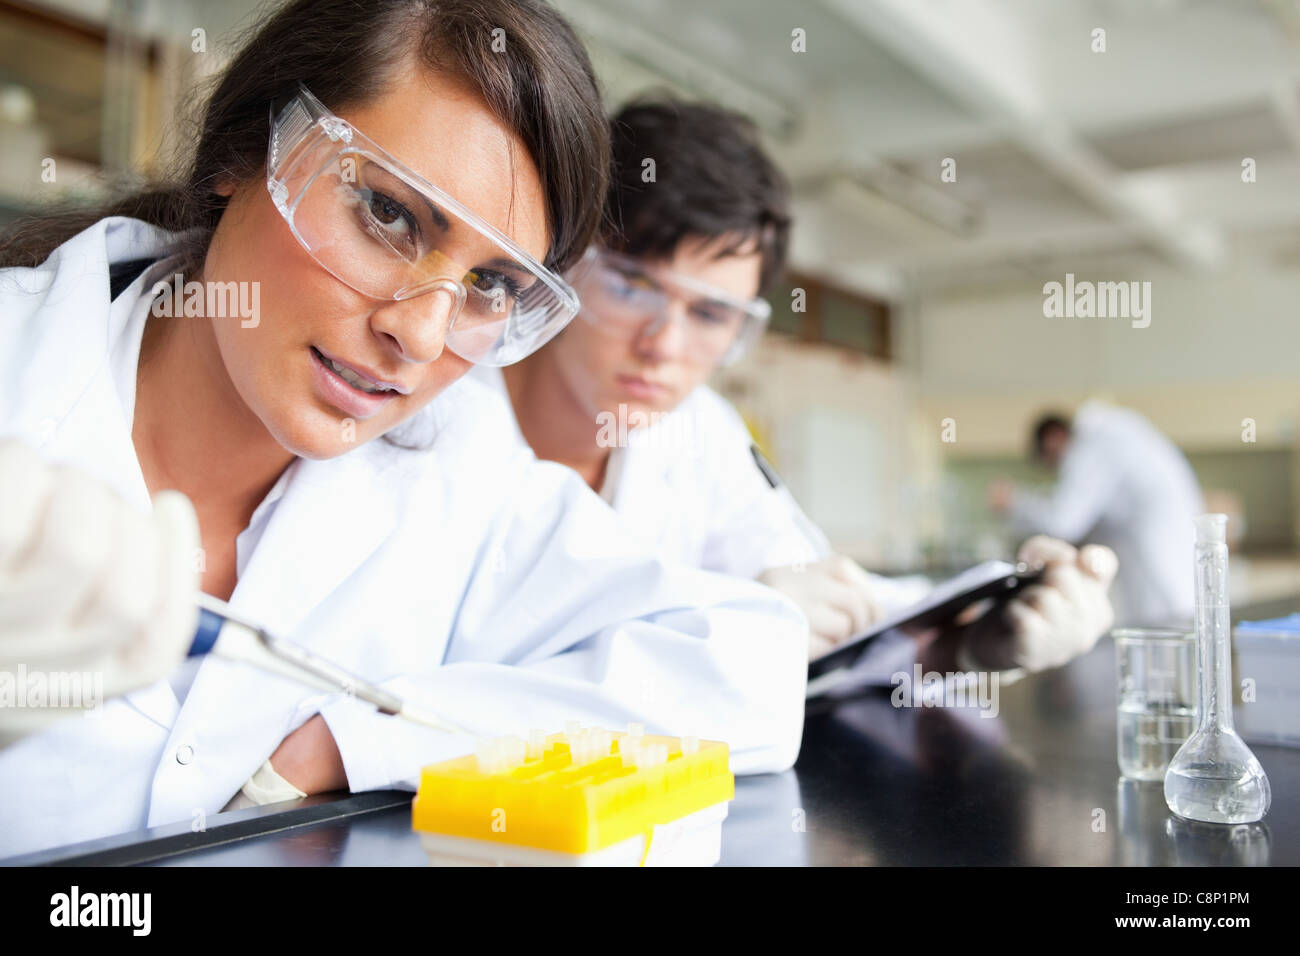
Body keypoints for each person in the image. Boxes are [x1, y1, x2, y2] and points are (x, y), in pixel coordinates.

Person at [0, 0, 808, 859]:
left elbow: (746, 670)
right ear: (247, 152)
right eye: (388, 215)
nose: (421, 335)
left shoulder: (454, 464)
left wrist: (358, 737)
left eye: (492, 283)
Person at [482, 97, 1118, 673]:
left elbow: (825, 596)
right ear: (560, 257)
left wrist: (975, 628)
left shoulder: (700, 431)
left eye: (709, 314)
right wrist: (725, 618)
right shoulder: (442, 405)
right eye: (630, 286)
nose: (664, 346)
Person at [990, 404, 1205, 626]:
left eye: (1051, 460)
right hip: (1161, 539)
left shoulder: (1092, 445)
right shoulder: (1112, 433)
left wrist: (1015, 501)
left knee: (1166, 620)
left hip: (1158, 546)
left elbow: (1063, 522)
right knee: (1162, 622)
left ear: (1054, 438)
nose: (1057, 469)